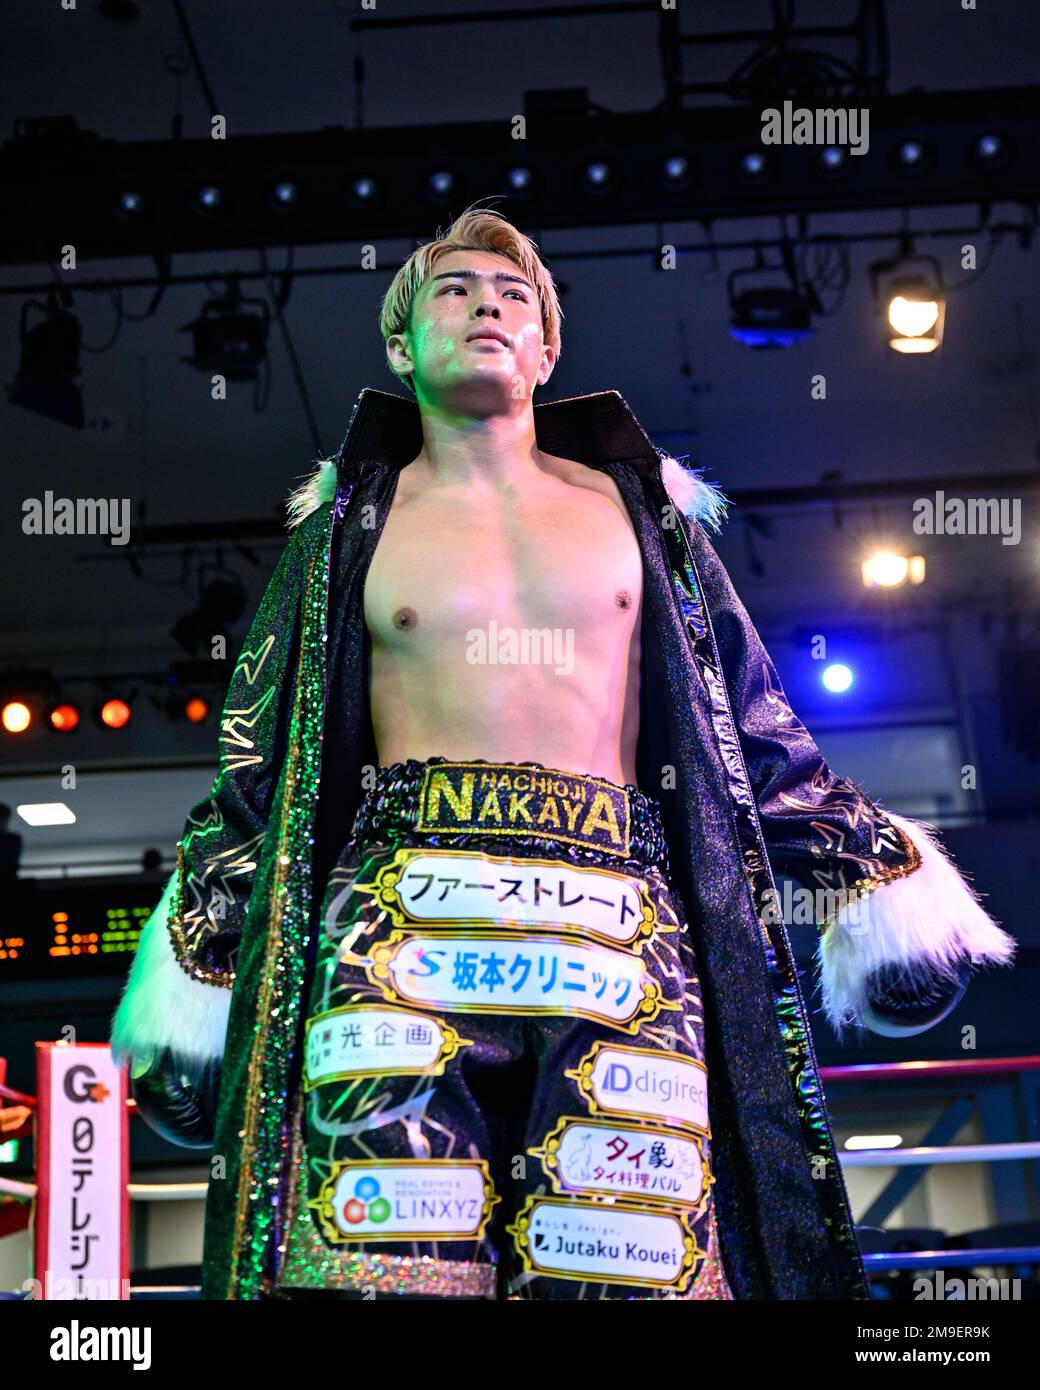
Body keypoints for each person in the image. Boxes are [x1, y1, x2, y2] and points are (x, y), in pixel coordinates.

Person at [109, 206, 1015, 1301]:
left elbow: (750, 723)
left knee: (623, 1264)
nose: (485, 303)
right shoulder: (344, 530)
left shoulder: (644, 520)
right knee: (383, 1271)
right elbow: (260, 759)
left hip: (619, 916)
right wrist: (208, 953)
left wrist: (864, 869)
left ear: (546, 347)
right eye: (454, 289)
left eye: (513, 294)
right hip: (396, 917)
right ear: (401, 347)